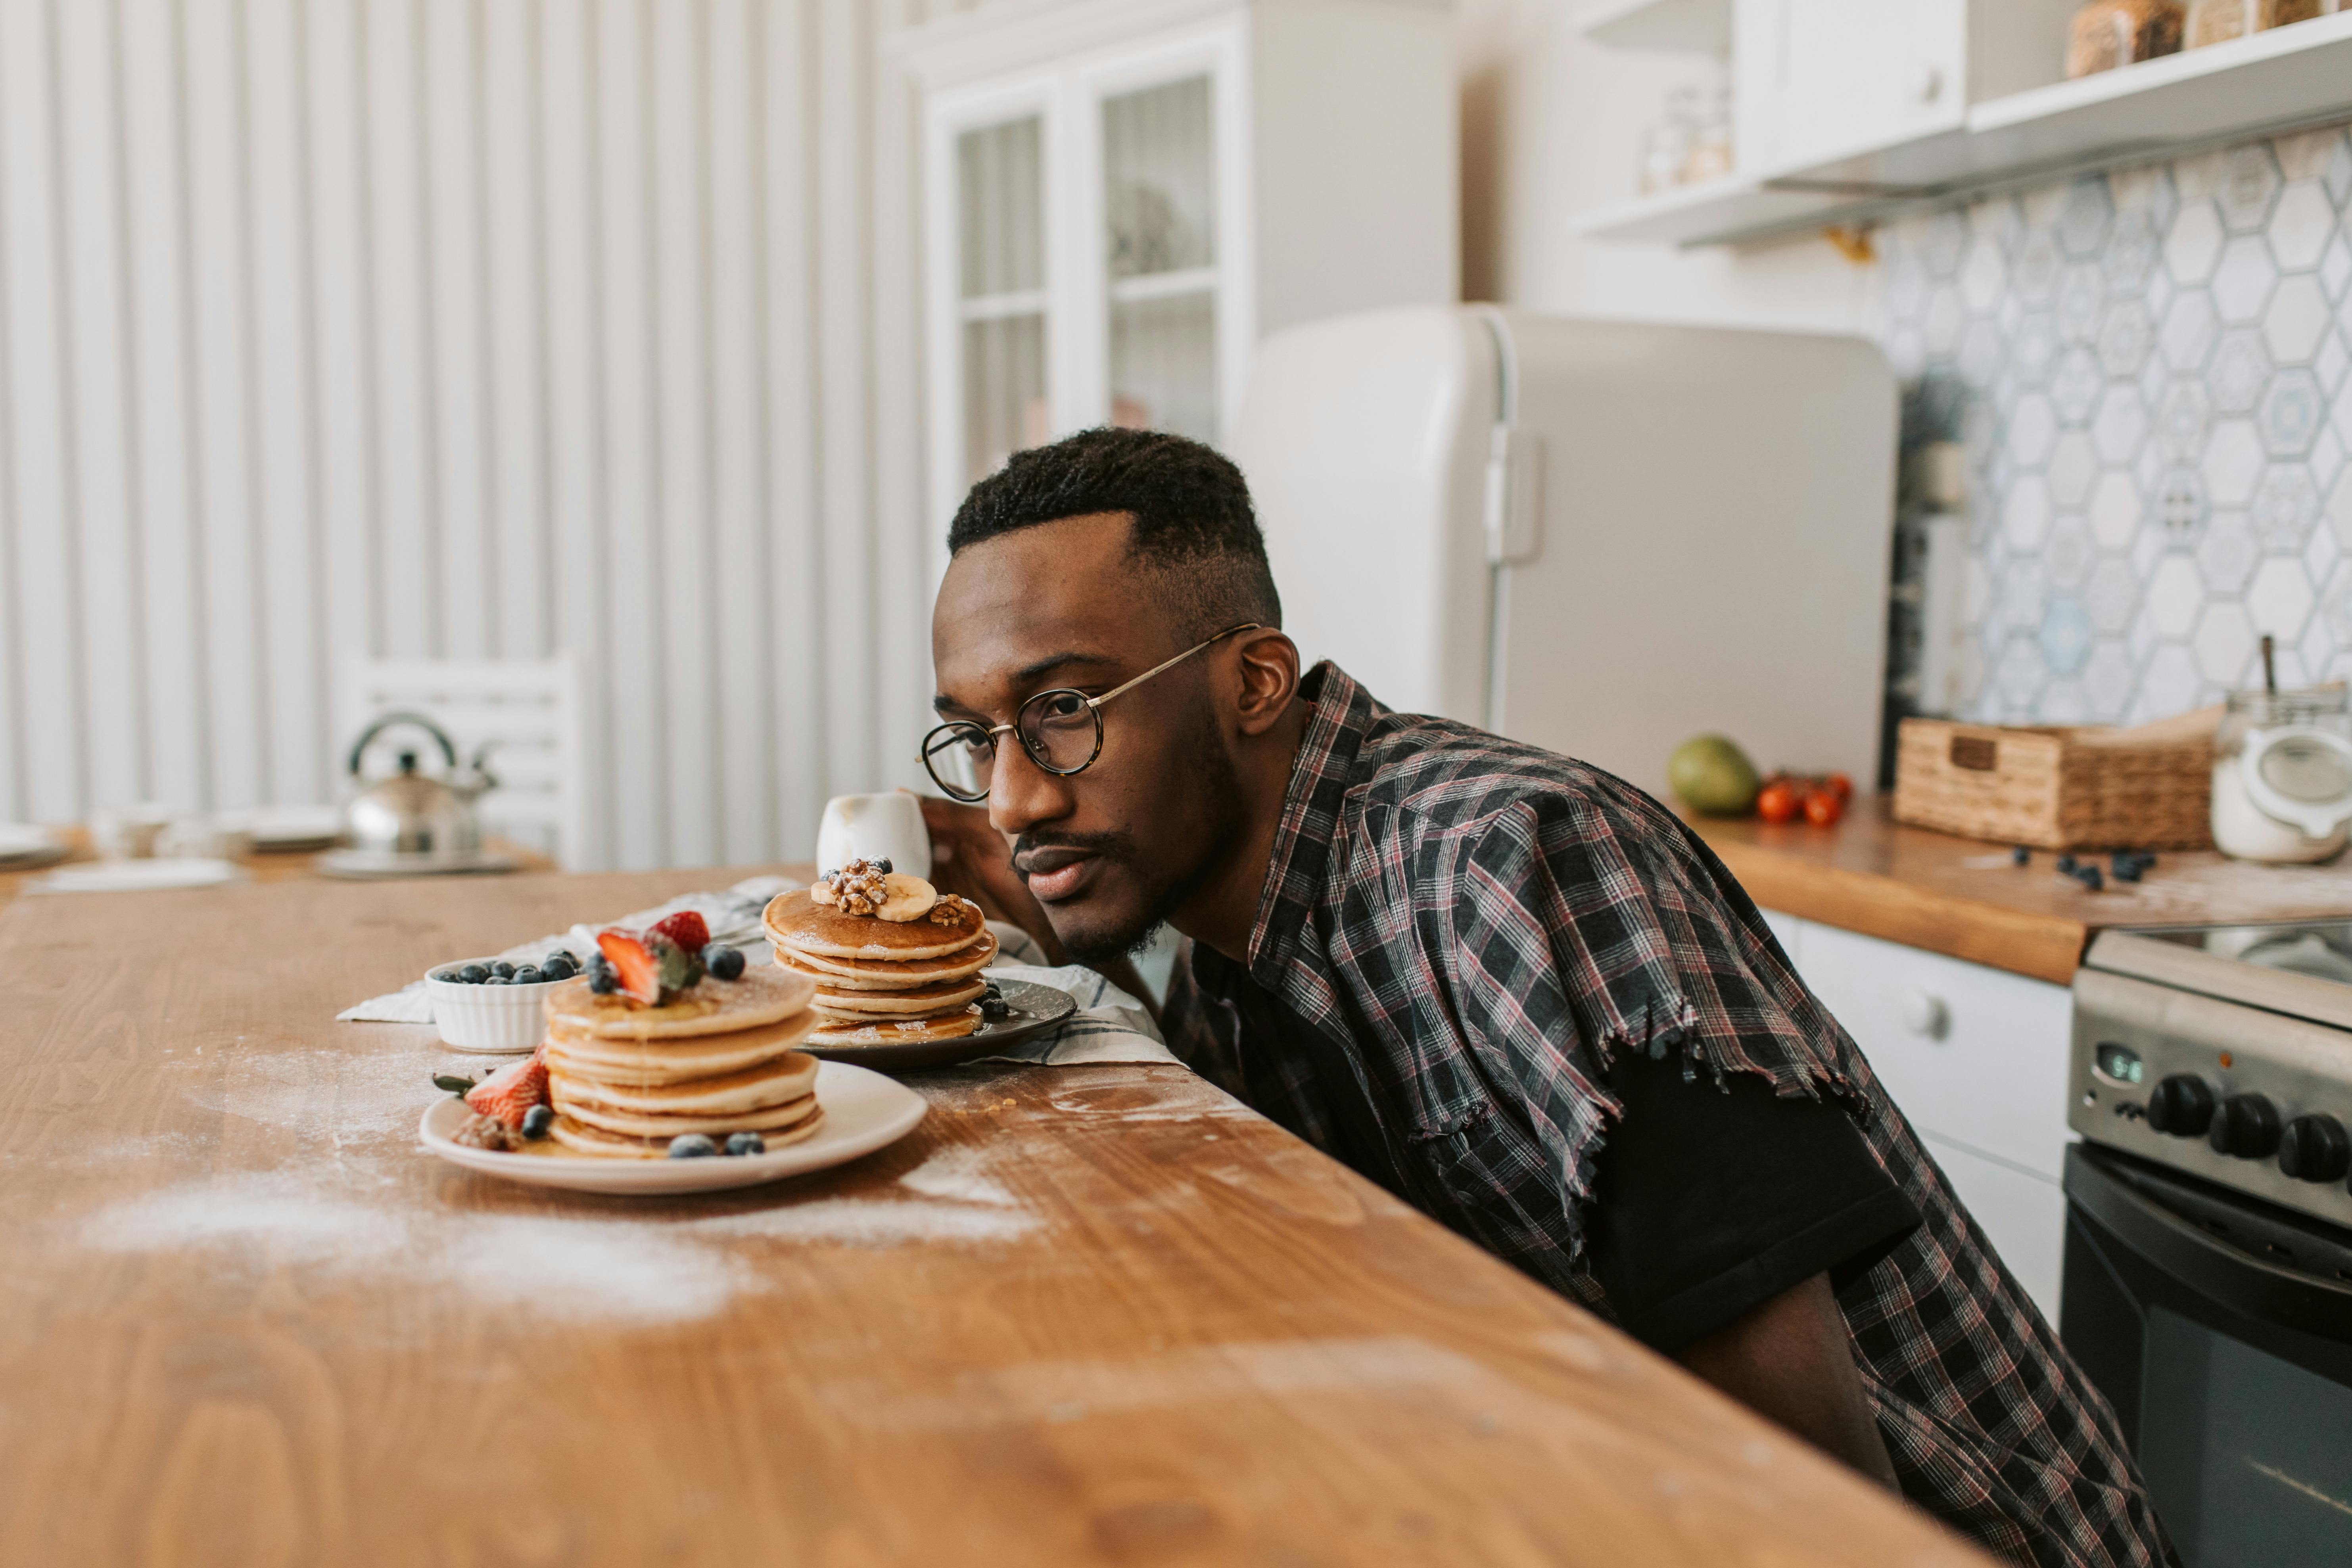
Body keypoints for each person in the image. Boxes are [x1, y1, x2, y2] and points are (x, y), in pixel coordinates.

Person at [919, 426, 2174, 1568]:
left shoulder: (1518, 861)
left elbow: (1801, 1477)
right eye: (977, 737)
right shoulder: (1219, 939)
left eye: (1065, 711)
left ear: (1253, 681)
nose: (1015, 797)